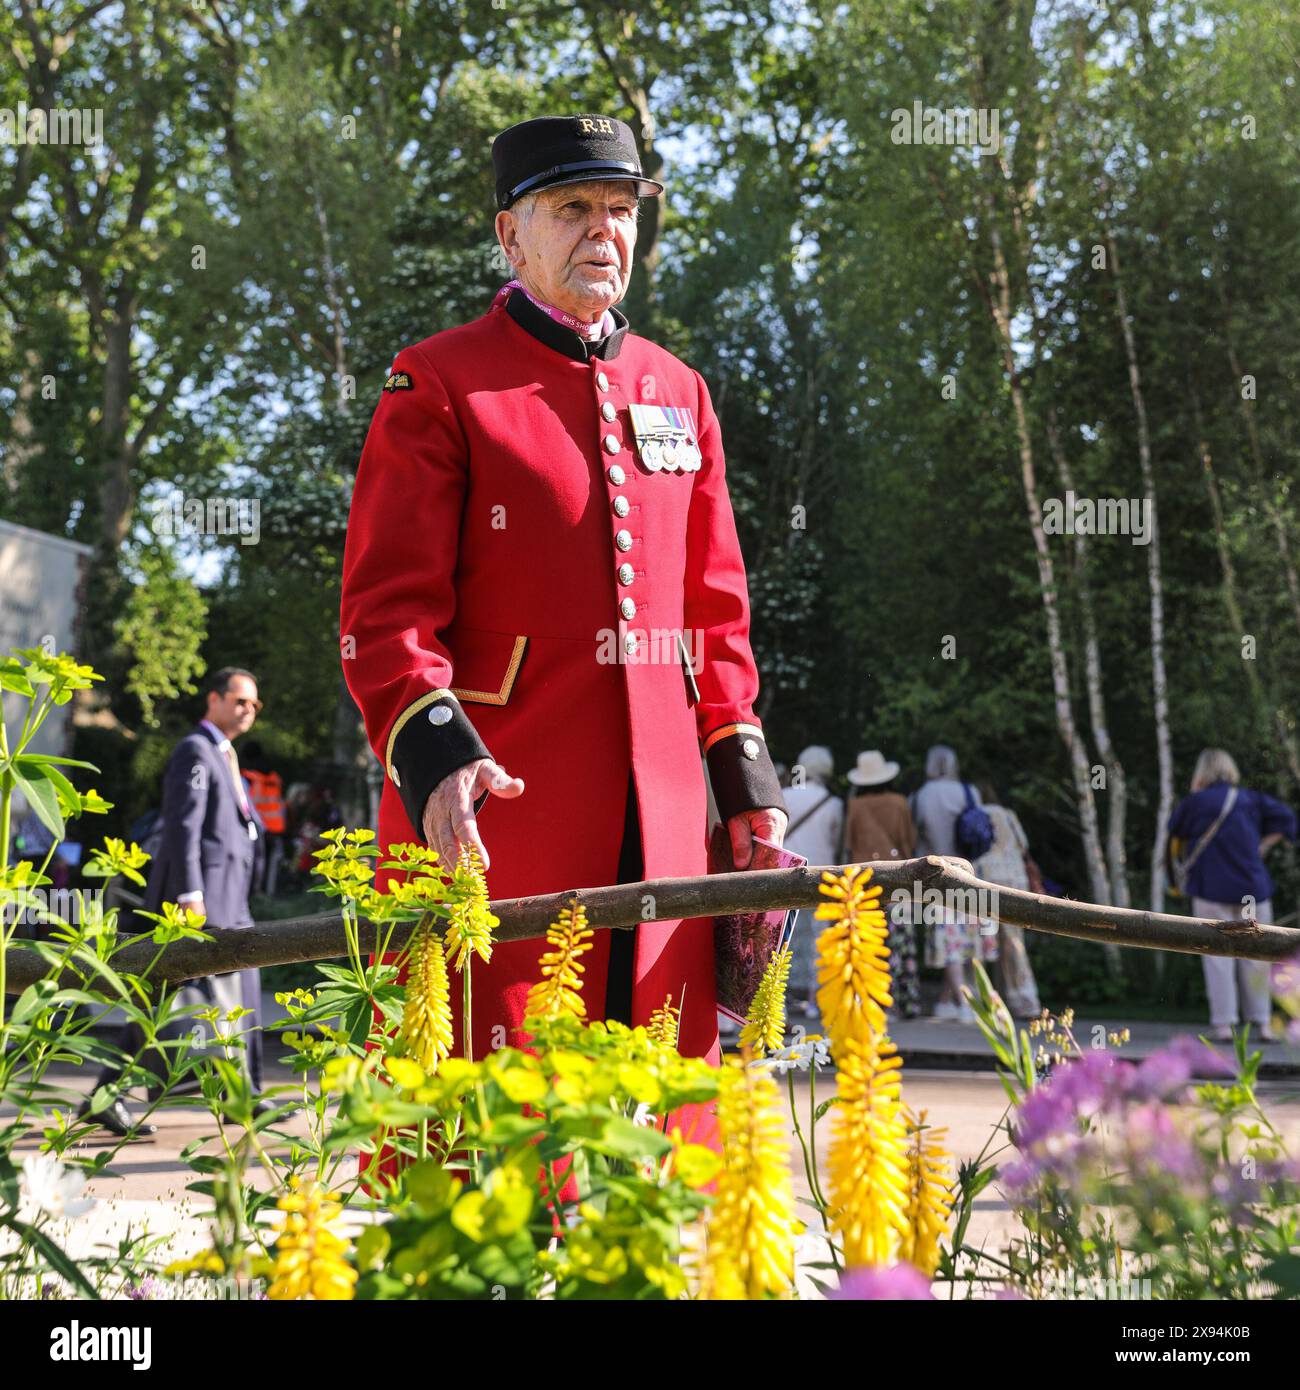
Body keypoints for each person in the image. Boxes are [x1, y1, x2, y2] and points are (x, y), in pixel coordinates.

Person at [339, 114, 788, 1141]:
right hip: (499, 813)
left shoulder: (681, 390)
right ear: (511, 238)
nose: (605, 232)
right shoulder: (437, 382)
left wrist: (747, 792)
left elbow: (716, 616)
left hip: (668, 817)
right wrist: (435, 754)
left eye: (621, 211)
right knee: (494, 1130)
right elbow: (385, 606)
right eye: (573, 209)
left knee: (663, 1126)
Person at [81, 667, 270, 1136]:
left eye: (255, 704)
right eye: (241, 700)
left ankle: (244, 1096)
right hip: (199, 899)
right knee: (161, 1001)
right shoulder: (195, 750)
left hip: (230, 898)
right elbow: (183, 826)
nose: (248, 710)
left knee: (241, 989)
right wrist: (189, 893)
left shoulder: (224, 754)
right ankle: (105, 1096)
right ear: (214, 700)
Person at [1168, 748, 1297, 1043]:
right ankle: (1262, 1024)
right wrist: (1264, 845)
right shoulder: (1250, 799)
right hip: (1253, 888)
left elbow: (1174, 833)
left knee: (1217, 957)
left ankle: (1224, 1025)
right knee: (1258, 956)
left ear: (1202, 772)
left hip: (1210, 888)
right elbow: (1287, 819)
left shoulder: (1195, 803)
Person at [910, 744, 997, 1023]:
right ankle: (951, 1001)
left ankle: (962, 1003)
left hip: (938, 873)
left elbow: (916, 840)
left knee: (949, 941)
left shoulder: (919, 797)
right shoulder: (969, 792)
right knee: (968, 939)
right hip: (972, 872)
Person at [843, 750, 921, 1018]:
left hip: (864, 879)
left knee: (867, 941)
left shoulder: (854, 805)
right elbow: (909, 841)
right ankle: (903, 1001)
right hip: (899, 877)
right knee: (899, 941)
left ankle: (869, 1001)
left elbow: (849, 844)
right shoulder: (899, 802)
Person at [782, 746, 844, 1018]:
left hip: (788, 874)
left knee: (784, 938)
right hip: (824, 875)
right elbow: (835, 841)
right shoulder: (834, 803)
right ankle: (815, 1000)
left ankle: (779, 999)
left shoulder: (784, 795)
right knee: (819, 938)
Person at [973, 781, 1041, 1019]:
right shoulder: (1008, 815)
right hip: (1016, 880)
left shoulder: (976, 814)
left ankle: (1000, 1000)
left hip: (987, 878)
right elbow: (1024, 845)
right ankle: (1021, 998)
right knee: (1013, 941)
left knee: (989, 943)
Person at [240, 740, 286, 895]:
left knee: (254, 864)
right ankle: (266, 895)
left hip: (257, 828)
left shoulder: (248, 777)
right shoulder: (274, 777)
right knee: (269, 867)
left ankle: (254, 895)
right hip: (276, 828)